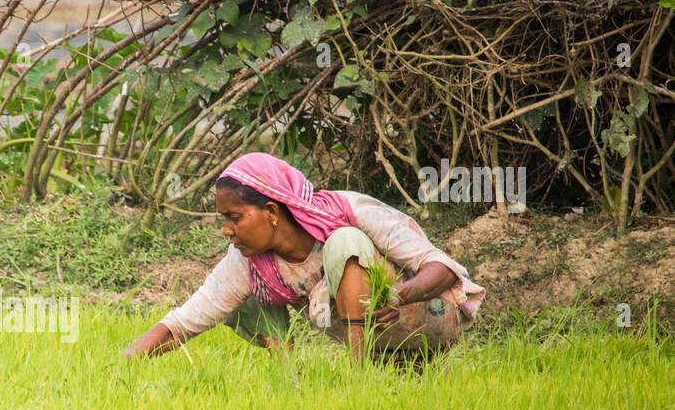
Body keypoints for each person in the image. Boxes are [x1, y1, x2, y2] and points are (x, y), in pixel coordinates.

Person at [124, 152, 485, 361]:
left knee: (345, 242)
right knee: (233, 300)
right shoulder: (249, 260)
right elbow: (182, 323)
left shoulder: (348, 210)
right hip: (379, 350)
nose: (227, 230)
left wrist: (400, 294)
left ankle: (357, 382)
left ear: (271, 212)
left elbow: (442, 269)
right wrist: (121, 367)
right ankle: (290, 371)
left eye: (235, 218)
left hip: (426, 324)